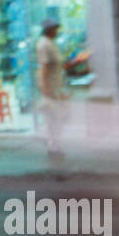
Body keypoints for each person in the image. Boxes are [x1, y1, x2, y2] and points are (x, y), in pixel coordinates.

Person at [36, 18, 68, 160]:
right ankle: (53, 146)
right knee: (53, 117)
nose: (57, 31)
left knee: (57, 117)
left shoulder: (51, 43)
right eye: (55, 28)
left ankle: (55, 144)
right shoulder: (44, 44)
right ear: (49, 30)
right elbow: (44, 67)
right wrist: (44, 87)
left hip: (55, 85)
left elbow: (57, 65)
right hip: (50, 87)